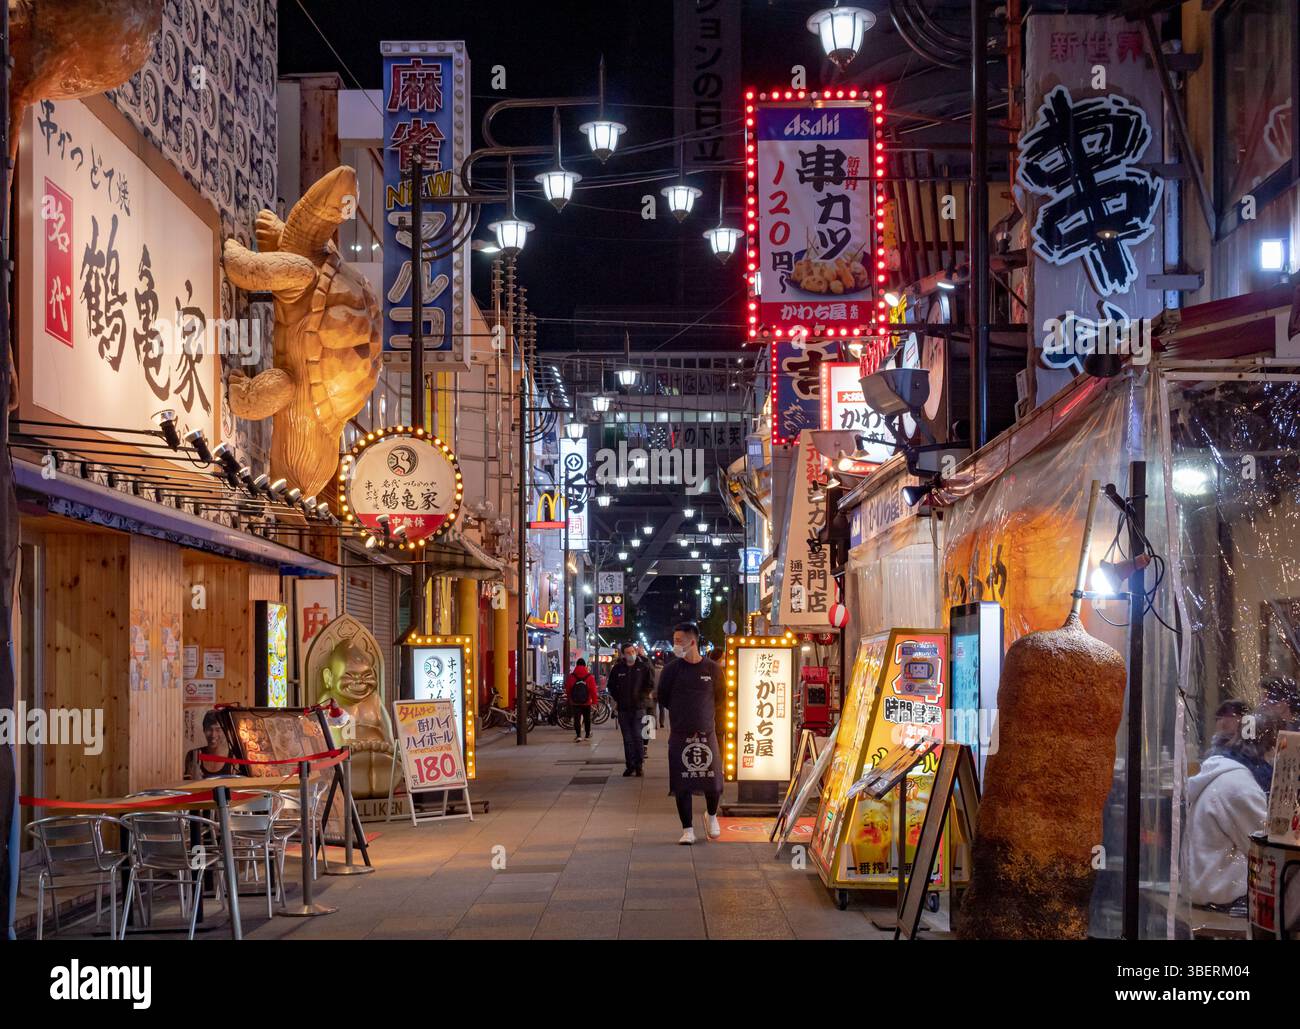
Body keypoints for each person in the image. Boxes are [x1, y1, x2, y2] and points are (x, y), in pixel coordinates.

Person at [1187, 709, 1282, 910]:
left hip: (1202, 886)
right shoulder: (1239, 786)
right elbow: (1266, 849)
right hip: (1224, 894)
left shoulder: (1224, 771)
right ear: (1270, 746)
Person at [657, 621, 724, 845]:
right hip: (680, 735)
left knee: (713, 782)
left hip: (707, 734)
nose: (676, 645)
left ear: (692, 641)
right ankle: (687, 829)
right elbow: (664, 698)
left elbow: (721, 698)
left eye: (679, 641)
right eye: (674, 641)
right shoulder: (670, 671)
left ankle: (712, 815)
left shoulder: (713, 669)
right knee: (681, 783)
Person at [606, 642, 652, 776]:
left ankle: (639, 765)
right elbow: (611, 685)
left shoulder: (643, 667)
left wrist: (642, 697)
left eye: (632, 651)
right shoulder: (618, 668)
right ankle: (630, 765)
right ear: (623, 654)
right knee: (627, 738)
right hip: (624, 709)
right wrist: (618, 698)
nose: (631, 654)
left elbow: (649, 684)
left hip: (639, 708)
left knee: (638, 736)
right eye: (627, 652)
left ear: (636, 652)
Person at [183, 710, 236, 779]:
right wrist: (192, 780)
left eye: (218, 729)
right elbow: (186, 787)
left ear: (226, 731)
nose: (213, 735)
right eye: (209, 729)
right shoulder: (193, 755)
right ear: (204, 730)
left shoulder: (235, 758)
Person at [564, 658, 597, 742]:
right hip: (586, 701)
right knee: (587, 718)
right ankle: (587, 735)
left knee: (577, 718)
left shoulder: (571, 676)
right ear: (585, 665)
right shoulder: (589, 677)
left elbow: (568, 689)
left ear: (577, 665)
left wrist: (570, 698)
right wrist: (594, 701)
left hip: (575, 701)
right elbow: (593, 690)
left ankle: (578, 735)